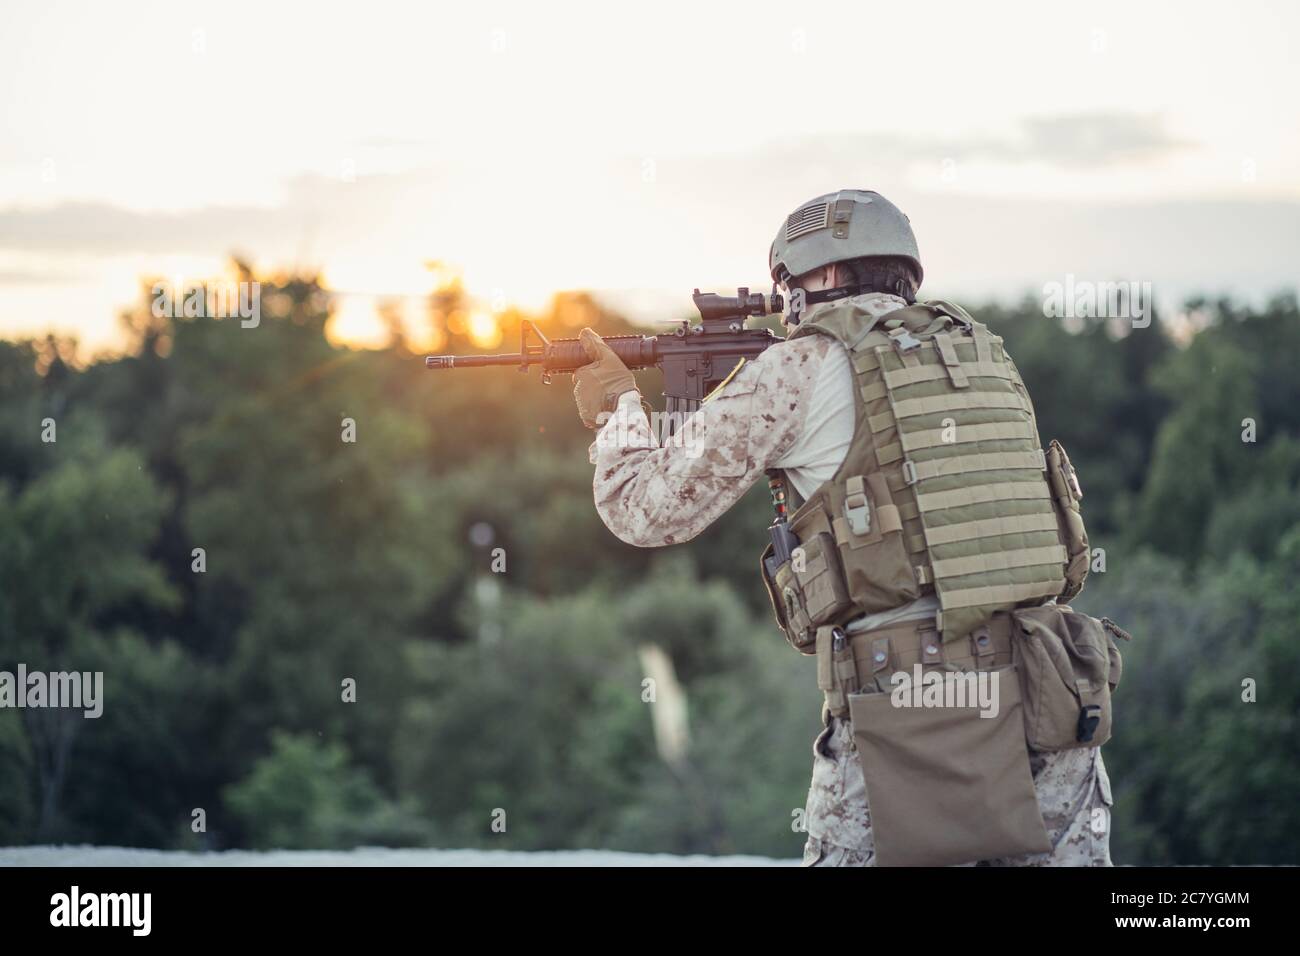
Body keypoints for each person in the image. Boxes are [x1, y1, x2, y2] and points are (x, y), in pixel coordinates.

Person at [574, 189, 1113, 867]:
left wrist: (618, 410)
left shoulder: (801, 366)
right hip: (1053, 693)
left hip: (908, 711)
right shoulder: (984, 353)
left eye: (790, 283)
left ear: (822, 275)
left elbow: (645, 509)